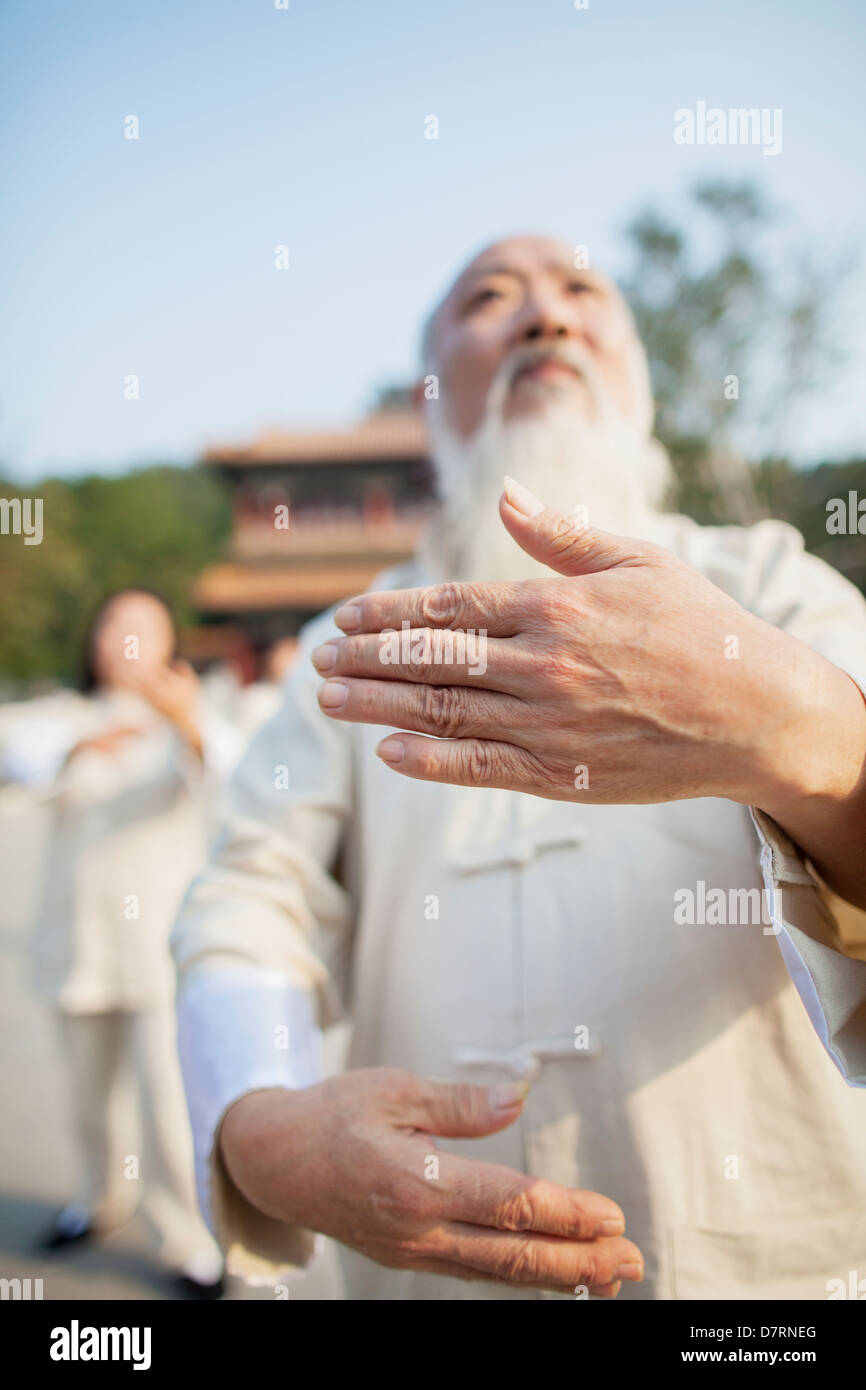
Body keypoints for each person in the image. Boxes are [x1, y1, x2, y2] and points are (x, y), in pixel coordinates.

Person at [171, 237, 866, 1300]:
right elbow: (249, 895)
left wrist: (790, 723)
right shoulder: (351, 640)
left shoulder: (766, 581)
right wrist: (258, 1115)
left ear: (635, 377)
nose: (543, 317)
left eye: (581, 292)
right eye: (490, 299)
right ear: (427, 391)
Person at [16, 588, 225, 1297]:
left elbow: (220, 774)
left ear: (170, 644)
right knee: (87, 1092)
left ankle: (189, 1238)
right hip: (76, 944)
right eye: (113, 622)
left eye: (144, 626)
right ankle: (99, 1199)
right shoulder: (62, 718)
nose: (125, 637)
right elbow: (22, 761)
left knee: (168, 1100)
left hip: (153, 948)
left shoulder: (189, 718)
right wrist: (79, 744)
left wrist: (183, 720)